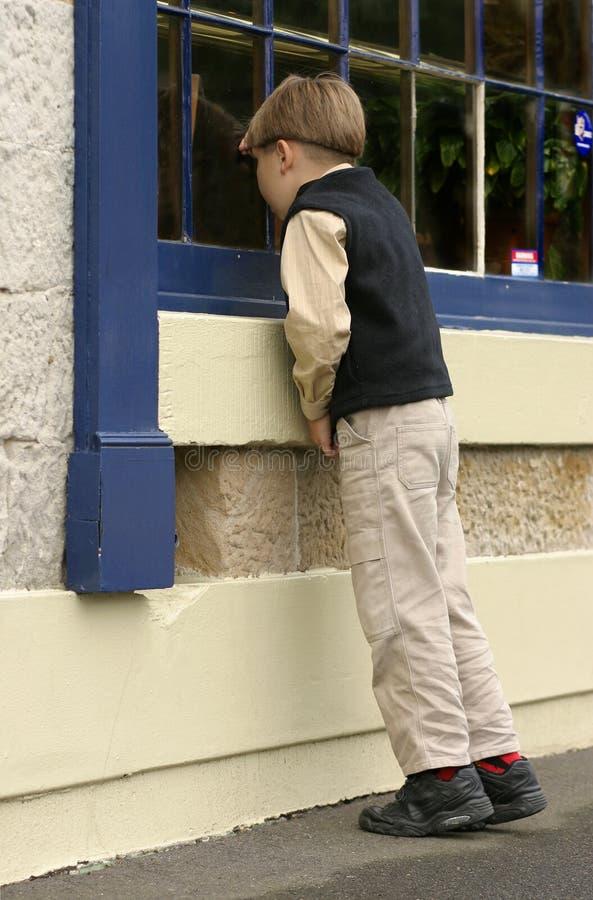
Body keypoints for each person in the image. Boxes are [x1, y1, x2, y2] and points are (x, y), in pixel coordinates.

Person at [239, 73, 547, 837]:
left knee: (396, 605)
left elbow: (318, 327)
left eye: (256, 171)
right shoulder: (381, 204)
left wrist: (315, 404)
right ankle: (496, 765)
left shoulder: (314, 217)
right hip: (433, 417)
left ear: (282, 155)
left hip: (379, 422)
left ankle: (439, 779)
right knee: (444, 598)